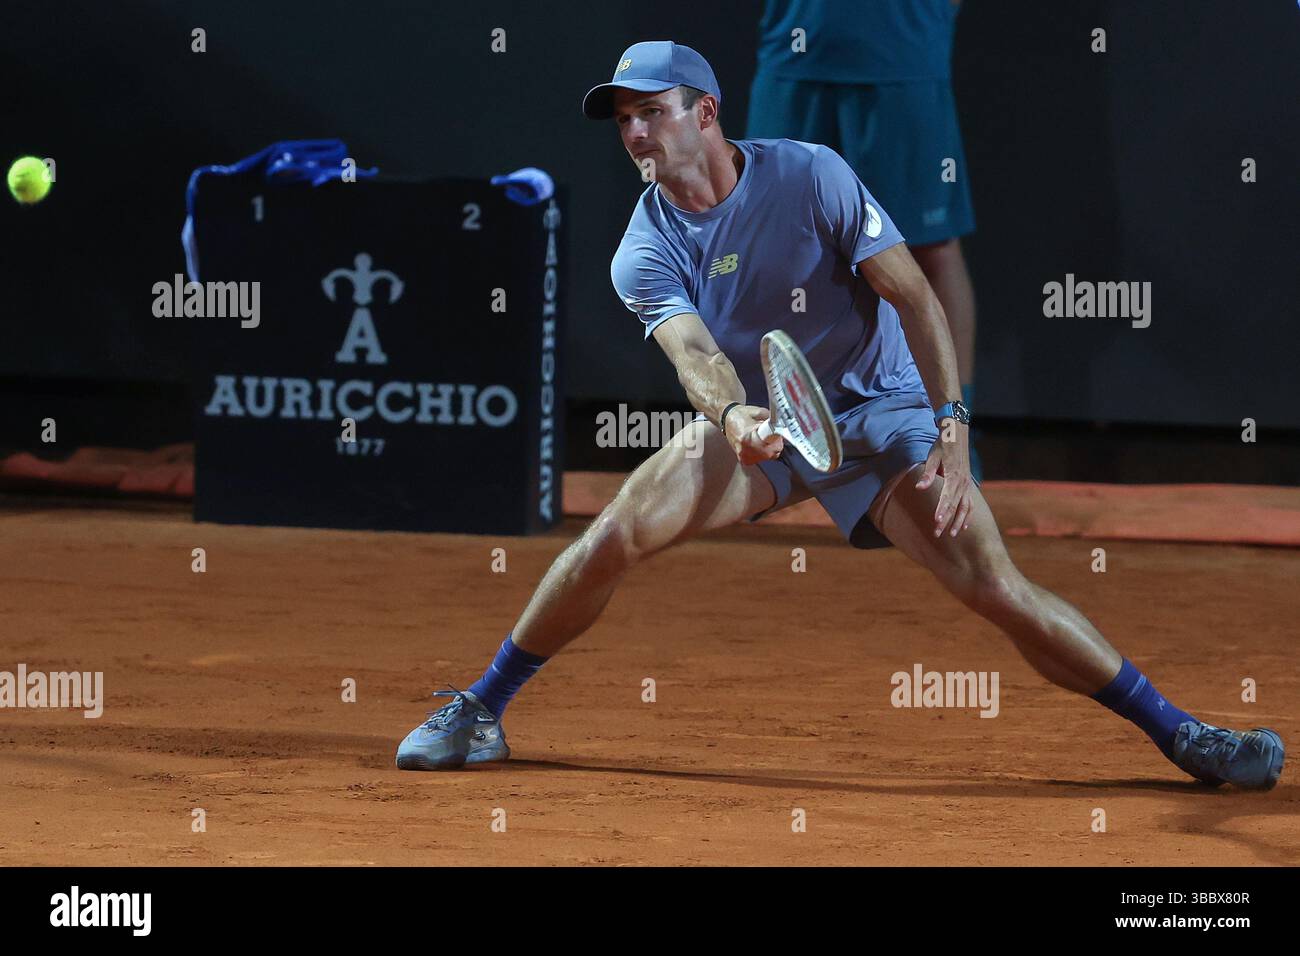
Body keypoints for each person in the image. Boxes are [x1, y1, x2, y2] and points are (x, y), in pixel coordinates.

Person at [395, 42, 1284, 792]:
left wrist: (953, 431)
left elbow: (915, 296)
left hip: (884, 411)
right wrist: (736, 419)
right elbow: (696, 357)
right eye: (622, 119)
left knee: (994, 590)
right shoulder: (643, 248)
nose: (634, 132)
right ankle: (482, 708)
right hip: (769, 424)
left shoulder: (812, 174)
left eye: (650, 111)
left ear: (705, 111)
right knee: (612, 537)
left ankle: (1184, 737)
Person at [747, 0, 982, 479]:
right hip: (797, 48)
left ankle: (951, 438)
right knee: (772, 246)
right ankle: (767, 443)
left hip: (905, 49)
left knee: (930, 250)